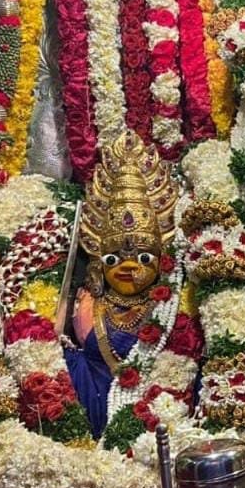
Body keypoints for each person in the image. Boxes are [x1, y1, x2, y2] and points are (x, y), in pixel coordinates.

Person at [64, 130, 178, 437]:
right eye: (114, 259)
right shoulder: (88, 303)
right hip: (95, 413)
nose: (128, 266)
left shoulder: (170, 305)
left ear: (161, 259)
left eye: (143, 258)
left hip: (159, 420)